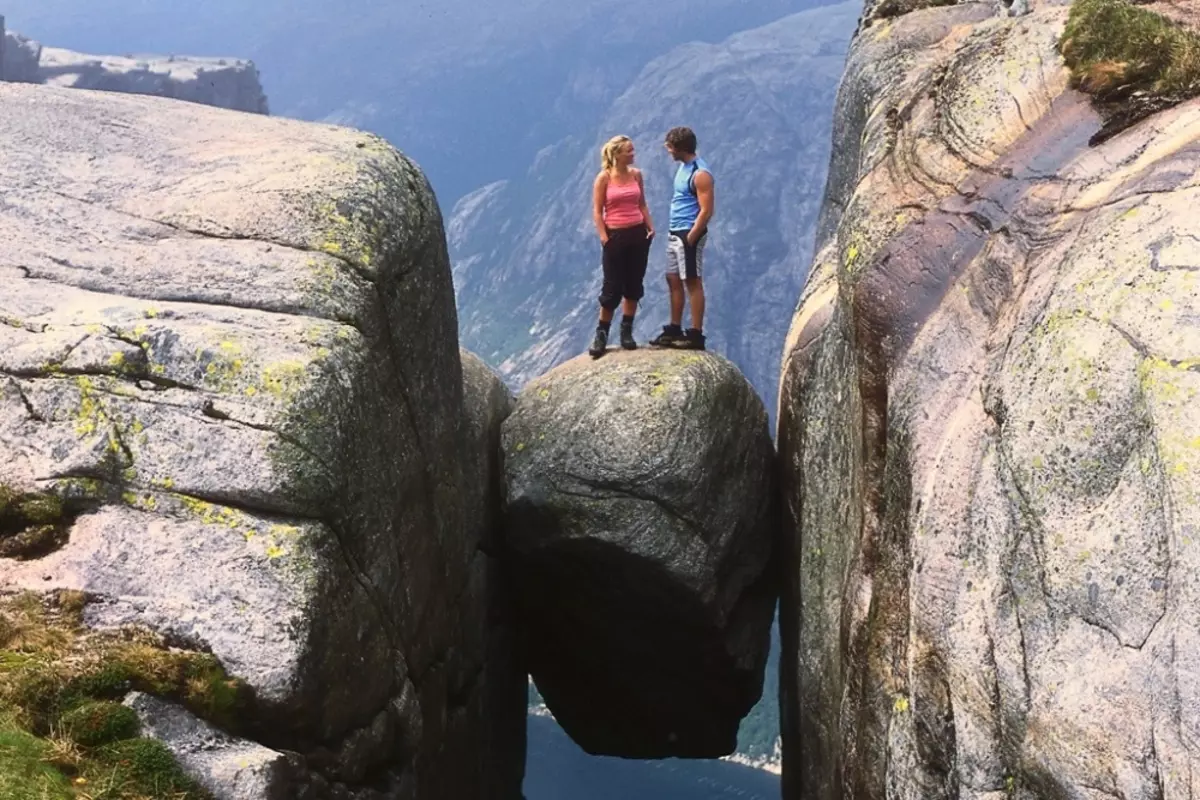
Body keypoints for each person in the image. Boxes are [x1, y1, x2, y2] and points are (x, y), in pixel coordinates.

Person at [588, 135, 655, 358]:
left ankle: (626, 331)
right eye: (629, 150)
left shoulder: (636, 175)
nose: (633, 154)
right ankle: (602, 334)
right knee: (611, 287)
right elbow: (598, 212)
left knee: (634, 284)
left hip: (638, 233)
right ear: (617, 154)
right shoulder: (604, 178)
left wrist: (650, 227)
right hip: (615, 235)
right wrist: (604, 238)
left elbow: (642, 203)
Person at [650, 126, 713, 351]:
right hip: (675, 231)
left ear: (679, 147)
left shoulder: (700, 173)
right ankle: (675, 327)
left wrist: (692, 235)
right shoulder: (684, 168)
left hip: (688, 232)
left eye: (670, 147)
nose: (668, 151)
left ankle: (696, 334)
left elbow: (706, 210)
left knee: (692, 281)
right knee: (673, 279)